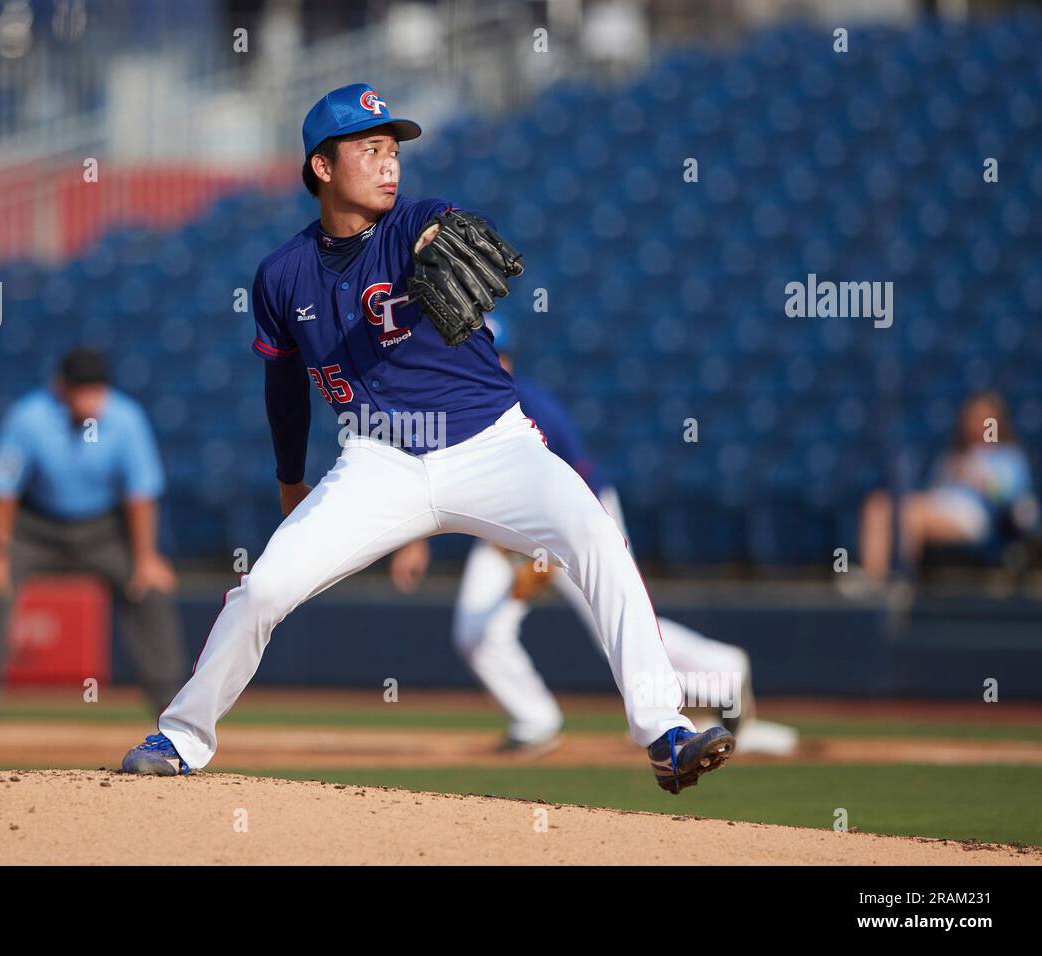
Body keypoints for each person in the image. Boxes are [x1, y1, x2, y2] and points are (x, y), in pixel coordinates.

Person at [121, 83, 736, 794]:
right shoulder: (280, 275)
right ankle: (180, 737)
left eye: (394, 150)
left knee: (598, 540)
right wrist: (291, 479)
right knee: (263, 589)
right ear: (322, 167)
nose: (390, 164)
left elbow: (442, 228)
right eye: (370, 149)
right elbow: (283, 386)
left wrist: (436, 239)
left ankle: (663, 731)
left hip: (493, 447)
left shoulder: (416, 218)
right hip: (379, 463)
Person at [388, 317, 799, 757]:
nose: (492, 360)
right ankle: (535, 720)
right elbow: (430, 470)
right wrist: (416, 540)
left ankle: (721, 676)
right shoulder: (448, 405)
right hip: (501, 533)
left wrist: (540, 565)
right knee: (474, 631)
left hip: (577, 518)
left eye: (496, 352)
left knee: (621, 630)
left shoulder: (533, 407)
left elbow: (575, 499)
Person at [0, 348, 185, 736]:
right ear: (61, 389)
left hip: (103, 529)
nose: (91, 400)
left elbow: (140, 494)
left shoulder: (126, 419)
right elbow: (2, 488)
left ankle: (172, 713)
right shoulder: (30, 417)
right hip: (35, 526)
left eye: (97, 390)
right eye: (82, 391)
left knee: (150, 588)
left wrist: (146, 557)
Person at [856, 391, 1035, 585]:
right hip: (938, 506)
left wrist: (981, 480)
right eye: (973, 417)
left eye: (985, 418)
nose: (978, 423)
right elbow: (935, 490)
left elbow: (1013, 501)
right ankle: (871, 580)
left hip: (973, 517)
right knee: (878, 505)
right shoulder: (952, 457)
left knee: (911, 515)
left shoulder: (1009, 458)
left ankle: (900, 582)